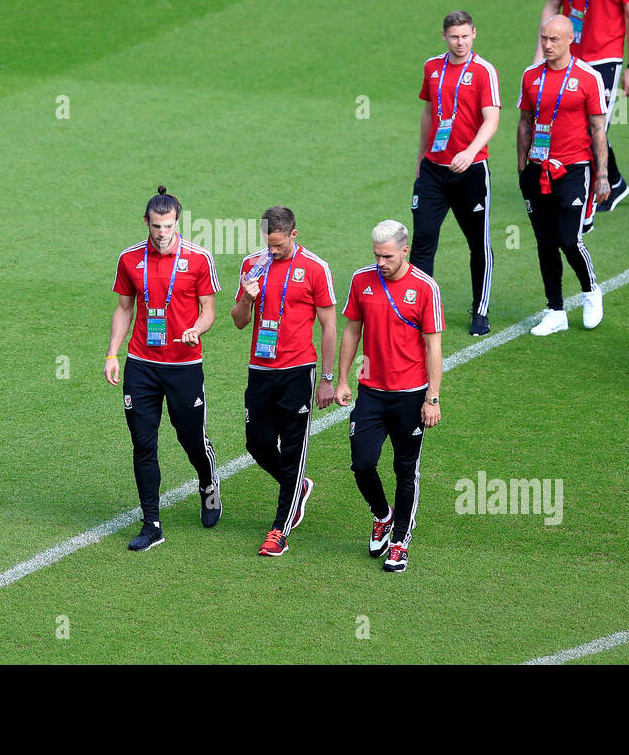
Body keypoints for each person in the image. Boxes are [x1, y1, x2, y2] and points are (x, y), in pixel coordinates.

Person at [105, 186, 222, 551]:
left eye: (168, 226)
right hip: (142, 364)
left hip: (184, 365)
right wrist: (113, 354)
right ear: (146, 222)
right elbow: (125, 309)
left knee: (190, 438)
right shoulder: (129, 259)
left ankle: (208, 482)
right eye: (156, 226)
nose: (162, 233)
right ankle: (151, 522)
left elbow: (209, 311)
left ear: (178, 222)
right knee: (143, 444)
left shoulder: (199, 259)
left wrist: (196, 329)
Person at [333, 220, 443, 574]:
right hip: (371, 393)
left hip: (411, 397)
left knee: (404, 470)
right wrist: (342, 380)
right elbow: (352, 331)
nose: (381, 262)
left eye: (388, 256)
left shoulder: (425, 288)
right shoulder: (361, 280)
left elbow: (433, 345)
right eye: (377, 255)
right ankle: (382, 514)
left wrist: (433, 398)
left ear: (404, 250)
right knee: (362, 463)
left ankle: (400, 541)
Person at [232, 206, 337, 557]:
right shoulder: (253, 265)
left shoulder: (315, 268)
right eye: (268, 243)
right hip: (260, 370)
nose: (272, 250)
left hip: (298, 372)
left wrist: (327, 378)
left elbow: (329, 326)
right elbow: (238, 321)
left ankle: (280, 530)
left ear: (293, 234)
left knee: (293, 452)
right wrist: (247, 297)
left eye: (278, 245)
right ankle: (299, 488)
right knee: (257, 444)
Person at [536, 0, 629, 230]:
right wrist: (541, 54)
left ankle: (585, 209)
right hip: (570, 57)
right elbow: (553, 5)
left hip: (605, 59)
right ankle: (616, 182)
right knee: (576, 124)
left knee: (591, 129)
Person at [411, 10, 502, 337]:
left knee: (478, 244)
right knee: (422, 241)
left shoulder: (484, 71)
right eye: (454, 37)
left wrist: (470, 151)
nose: (460, 42)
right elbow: (427, 113)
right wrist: (421, 158)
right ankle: (421, 310)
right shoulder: (432, 67)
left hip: (471, 172)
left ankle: (480, 311)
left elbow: (491, 119)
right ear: (444, 36)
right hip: (434, 173)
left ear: (474, 34)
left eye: (465, 36)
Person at [517, 15, 608, 337]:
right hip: (537, 169)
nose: (547, 45)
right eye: (543, 38)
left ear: (571, 40)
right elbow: (525, 123)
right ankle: (555, 309)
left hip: (573, 169)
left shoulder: (588, 77)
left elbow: (598, 129)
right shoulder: (531, 76)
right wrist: (521, 168)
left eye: (554, 39)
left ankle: (590, 290)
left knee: (569, 239)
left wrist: (603, 176)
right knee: (545, 243)